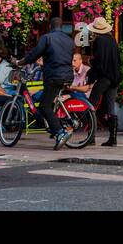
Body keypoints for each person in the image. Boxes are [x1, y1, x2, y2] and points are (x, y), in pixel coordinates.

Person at [22, 18, 76, 149]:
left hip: (54, 76)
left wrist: (21, 62)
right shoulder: (69, 40)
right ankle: (55, 125)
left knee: (44, 106)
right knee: (50, 101)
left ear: (50, 26)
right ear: (62, 26)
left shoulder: (47, 38)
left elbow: (35, 54)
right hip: (68, 75)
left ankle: (59, 132)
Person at [83, 18, 121, 146]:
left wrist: (91, 70)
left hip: (104, 77)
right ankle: (113, 138)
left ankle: (91, 137)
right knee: (110, 107)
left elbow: (99, 62)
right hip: (115, 77)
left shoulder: (99, 41)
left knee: (91, 105)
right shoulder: (112, 40)